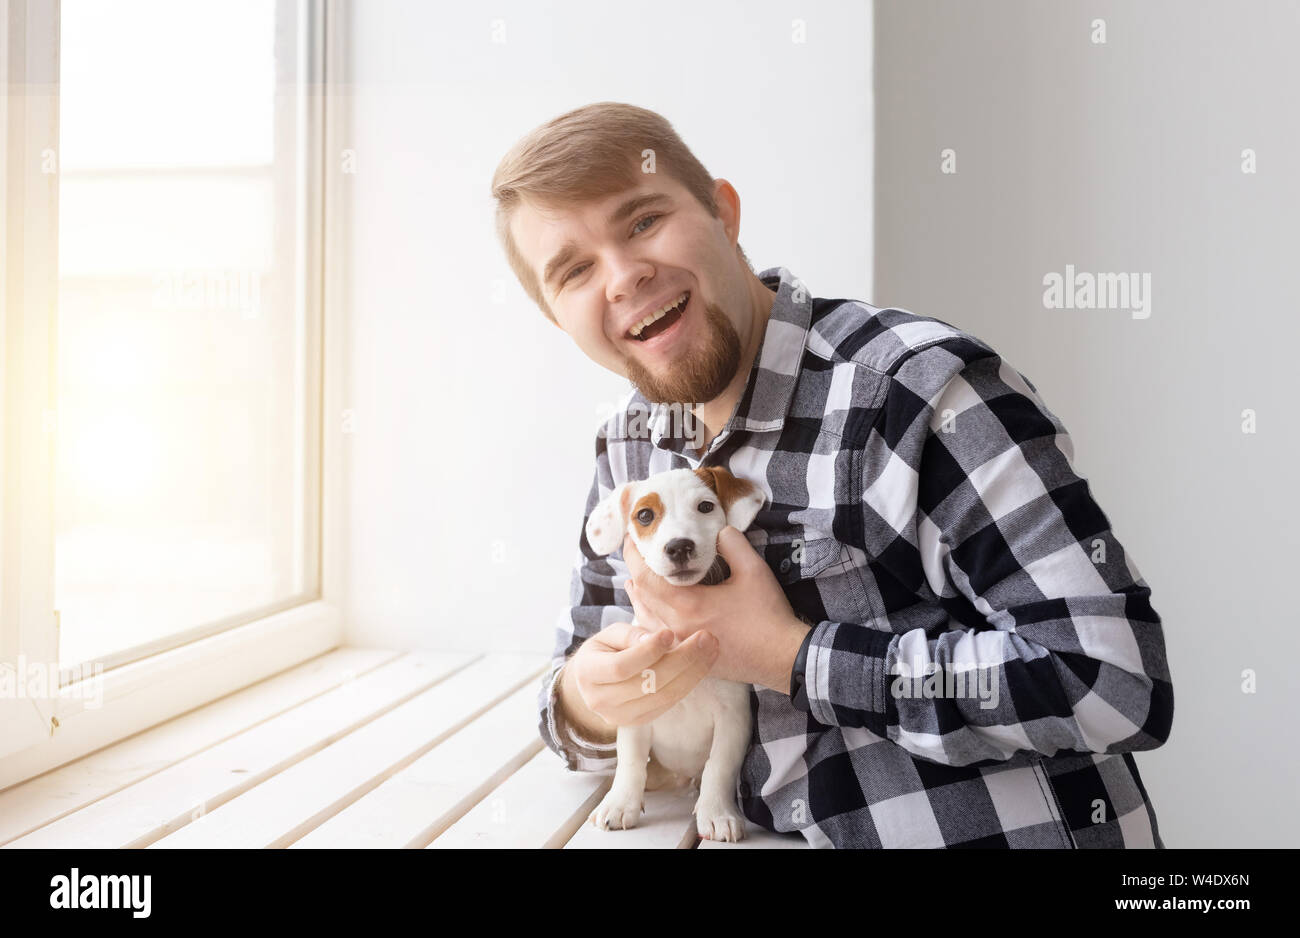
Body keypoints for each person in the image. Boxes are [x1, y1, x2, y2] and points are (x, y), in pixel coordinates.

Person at [490, 101, 1174, 848]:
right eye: (575, 270)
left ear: (724, 211)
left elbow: (1113, 684)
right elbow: (573, 704)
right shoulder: (628, 444)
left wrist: (792, 656)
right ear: (559, 316)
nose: (623, 277)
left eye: (642, 222)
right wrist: (591, 697)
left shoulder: (920, 392)